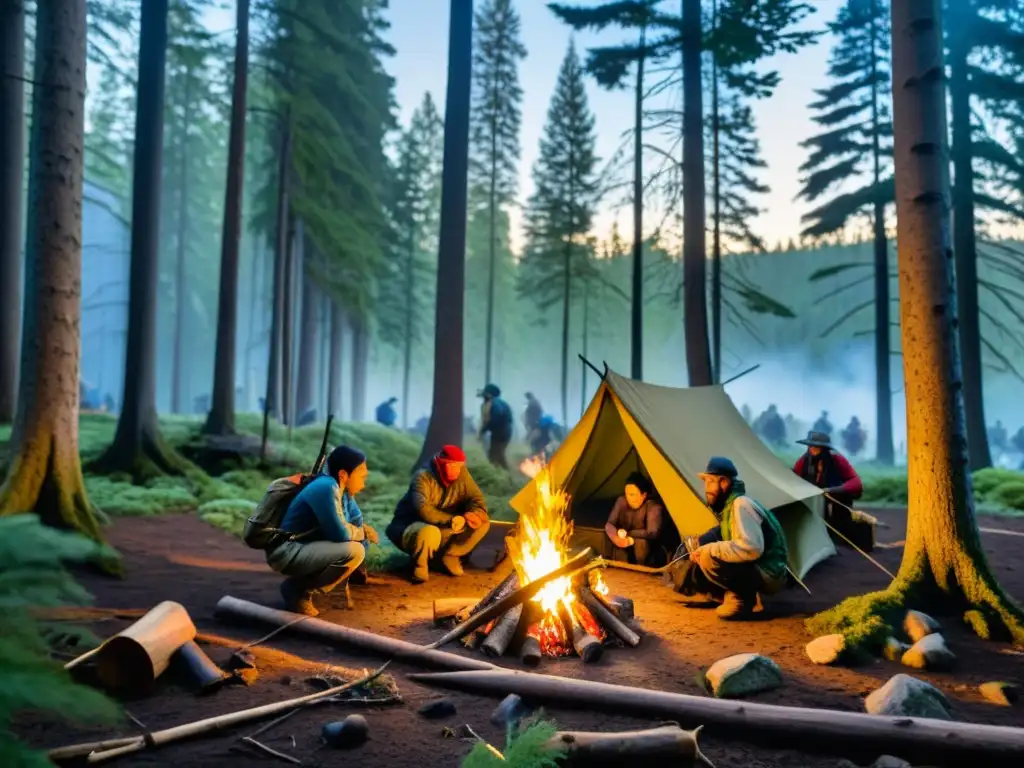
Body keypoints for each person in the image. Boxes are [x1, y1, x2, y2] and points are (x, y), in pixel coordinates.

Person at [667, 457, 789, 620]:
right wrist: (699, 543)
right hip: (758, 568)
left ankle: (745, 600)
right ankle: (728, 594)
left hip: (768, 571)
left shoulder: (741, 504)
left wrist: (709, 549)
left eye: (710, 481)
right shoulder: (730, 507)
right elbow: (723, 533)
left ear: (724, 482)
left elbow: (751, 548)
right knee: (701, 552)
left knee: (708, 557)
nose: (706, 488)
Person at [267, 445, 379, 616]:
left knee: (358, 545)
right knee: (354, 551)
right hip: (288, 550)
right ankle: (299, 590)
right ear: (343, 474)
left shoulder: (345, 493)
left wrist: (360, 532)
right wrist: (362, 532)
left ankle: (309, 586)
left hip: (306, 547)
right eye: (361, 476)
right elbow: (340, 533)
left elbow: (356, 523)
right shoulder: (326, 487)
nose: (364, 481)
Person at [386, 444, 491, 583]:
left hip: (446, 526)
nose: (456, 471)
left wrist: (474, 514)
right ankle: (420, 564)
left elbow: (475, 498)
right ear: (440, 463)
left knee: (483, 523)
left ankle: (451, 554)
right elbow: (423, 510)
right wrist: (452, 519)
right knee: (429, 532)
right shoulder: (422, 477)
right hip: (412, 526)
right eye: (451, 466)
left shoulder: (461, 473)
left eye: (459, 466)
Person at [792, 430, 863, 529]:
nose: (811, 450)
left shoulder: (837, 459)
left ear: (824, 449)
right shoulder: (803, 461)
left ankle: (842, 527)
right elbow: (793, 480)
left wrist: (832, 490)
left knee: (842, 513)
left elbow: (856, 483)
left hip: (835, 494)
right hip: (813, 497)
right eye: (810, 446)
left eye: (816, 448)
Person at [603, 472, 665, 566]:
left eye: (632, 495)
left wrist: (629, 535)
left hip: (646, 547)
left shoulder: (653, 507)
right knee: (607, 534)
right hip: (624, 539)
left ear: (643, 495)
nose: (629, 498)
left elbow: (652, 533)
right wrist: (616, 537)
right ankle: (608, 564)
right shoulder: (621, 501)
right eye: (627, 494)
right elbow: (610, 523)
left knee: (641, 543)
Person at [478, 383, 513, 469]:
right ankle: (504, 474)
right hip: (504, 432)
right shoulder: (500, 403)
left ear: (489, 394)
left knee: (495, 455)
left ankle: (506, 475)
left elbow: (496, 417)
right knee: (497, 454)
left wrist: (485, 429)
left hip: (500, 433)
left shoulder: (494, 403)